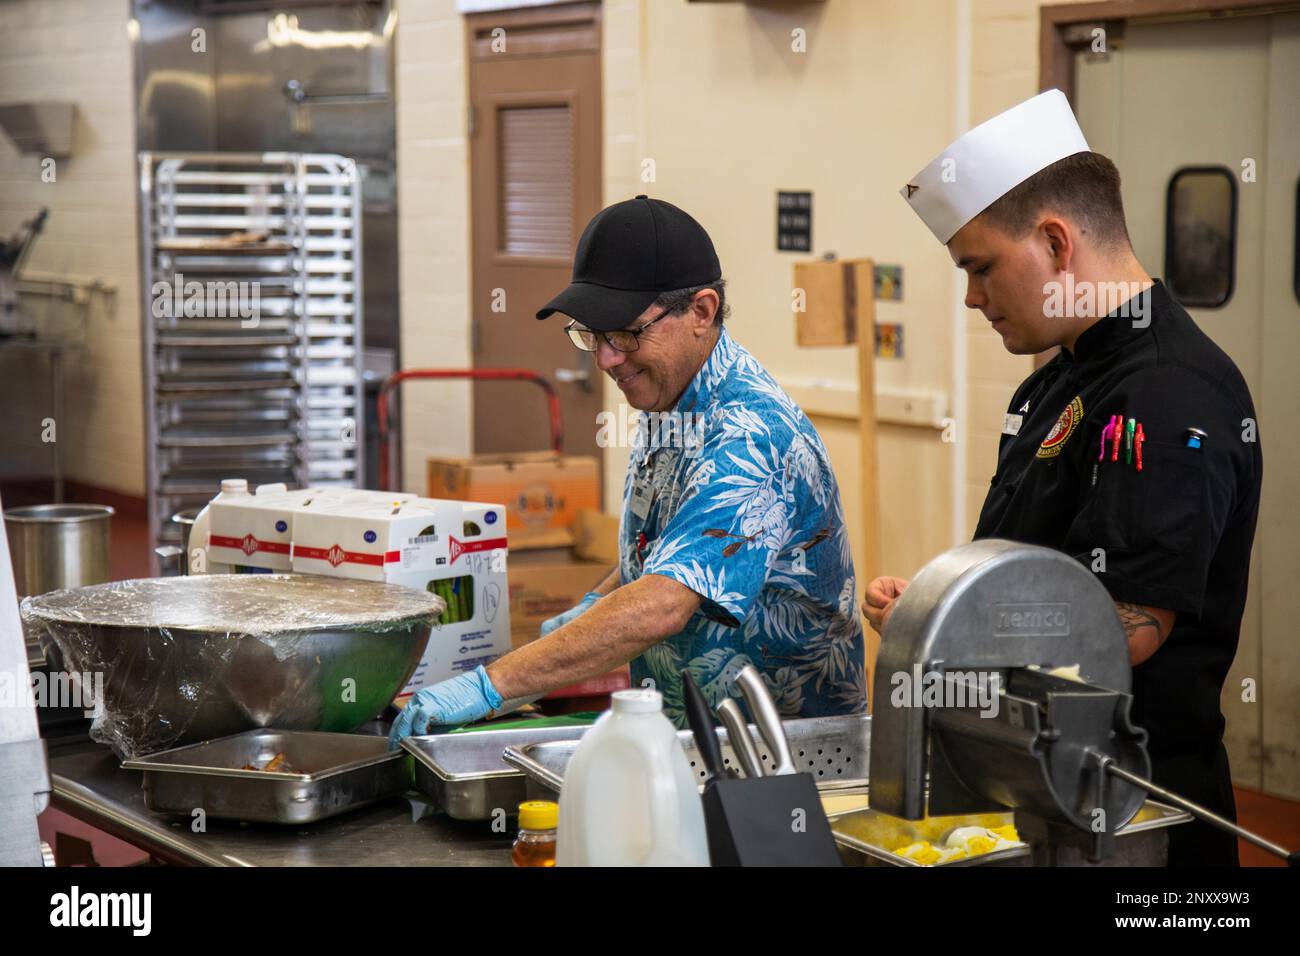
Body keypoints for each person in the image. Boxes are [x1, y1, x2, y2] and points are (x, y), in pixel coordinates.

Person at [864, 90, 1262, 867]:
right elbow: (1038, 579)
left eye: (980, 269)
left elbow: (1127, 631)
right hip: (1044, 787)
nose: (974, 297)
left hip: (1135, 810)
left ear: (1054, 241)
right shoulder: (1061, 379)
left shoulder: (1167, 391)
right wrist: (935, 609)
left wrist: (942, 639)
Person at [390, 195, 865, 742]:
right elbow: (670, 546)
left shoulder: (750, 433)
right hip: (691, 735)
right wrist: (597, 606)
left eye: (626, 334)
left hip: (783, 754)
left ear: (702, 312)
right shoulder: (671, 398)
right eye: (592, 334)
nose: (606, 359)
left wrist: (490, 685)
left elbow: (666, 602)